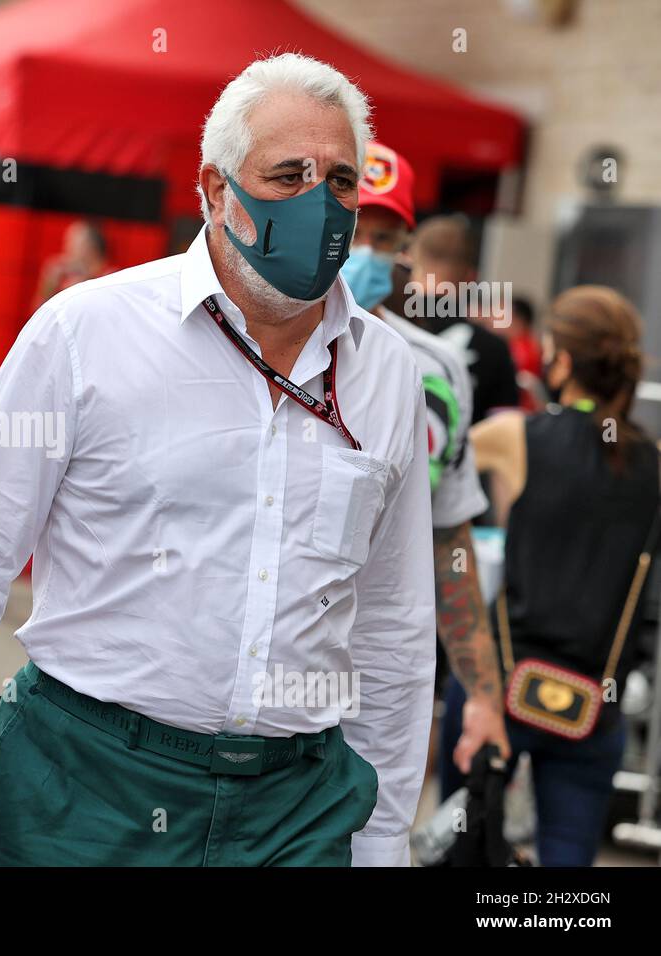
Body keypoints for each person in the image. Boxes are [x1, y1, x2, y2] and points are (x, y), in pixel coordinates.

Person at [0, 53, 436, 867]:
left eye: (340, 182)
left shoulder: (388, 374)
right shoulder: (85, 332)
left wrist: (382, 838)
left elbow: (392, 623)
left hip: (298, 809)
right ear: (213, 189)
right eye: (287, 175)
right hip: (86, 790)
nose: (320, 203)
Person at [439, 285, 659, 866]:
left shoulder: (517, 436)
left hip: (496, 684)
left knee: (466, 850)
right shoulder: (653, 465)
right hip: (593, 702)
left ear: (559, 360)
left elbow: (431, 475)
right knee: (567, 873)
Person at [340, 141, 509, 774]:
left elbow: (449, 538)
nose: (364, 253)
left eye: (384, 239)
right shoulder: (238, 343)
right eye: (354, 229)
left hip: (368, 700)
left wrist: (484, 696)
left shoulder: (432, 371)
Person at [407, 215, 520, 422]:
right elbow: (504, 429)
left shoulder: (382, 328)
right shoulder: (495, 349)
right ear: (471, 276)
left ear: (410, 262)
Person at [35, 218, 111, 305]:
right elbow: (39, 311)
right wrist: (50, 282)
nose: (67, 247)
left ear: (91, 246)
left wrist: (82, 284)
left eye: (72, 242)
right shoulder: (65, 273)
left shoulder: (110, 276)